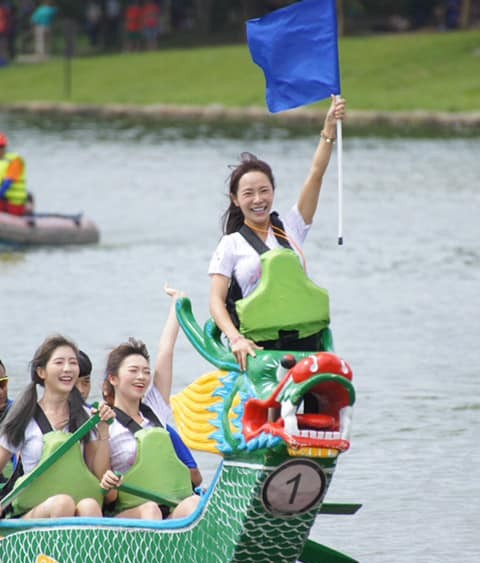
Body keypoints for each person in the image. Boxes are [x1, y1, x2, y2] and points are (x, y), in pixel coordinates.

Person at [208, 96, 346, 370]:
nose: (258, 199)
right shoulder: (231, 244)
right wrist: (236, 339)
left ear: (273, 192)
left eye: (264, 191)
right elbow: (215, 300)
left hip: (306, 343)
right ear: (236, 200)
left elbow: (316, 174)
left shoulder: (292, 228)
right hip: (258, 347)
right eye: (248, 193)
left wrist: (329, 128)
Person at [0, 336, 114, 520]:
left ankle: (83, 548)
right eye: (59, 362)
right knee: (62, 503)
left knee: (89, 505)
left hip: (75, 505)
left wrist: (103, 431)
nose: (67, 368)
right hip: (33, 510)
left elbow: (96, 473)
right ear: (42, 372)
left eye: (72, 363)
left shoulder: (86, 417)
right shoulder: (24, 417)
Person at [98, 287, 203, 520]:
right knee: (150, 510)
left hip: (169, 506)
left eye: (146, 371)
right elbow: (100, 483)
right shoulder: (103, 422)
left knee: (196, 503)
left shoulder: (155, 409)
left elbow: (166, 352)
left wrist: (178, 307)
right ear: (113, 379)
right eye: (133, 371)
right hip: (129, 512)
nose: (142, 377)